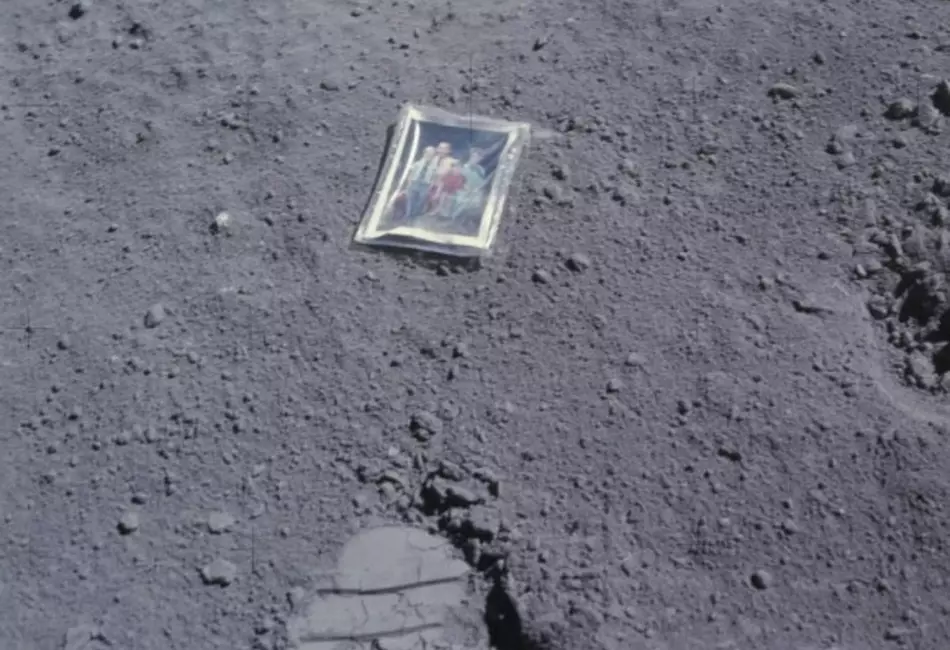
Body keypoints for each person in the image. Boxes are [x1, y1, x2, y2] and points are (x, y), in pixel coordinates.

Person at [448, 148, 489, 222]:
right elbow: (457, 179)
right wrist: (464, 187)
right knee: (458, 208)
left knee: (471, 210)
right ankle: (453, 221)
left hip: (475, 193)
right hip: (463, 191)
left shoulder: (481, 169)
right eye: (474, 156)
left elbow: (482, 182)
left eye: (479, 157)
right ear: (471, 156)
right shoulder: (463, 167)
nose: (476, 159)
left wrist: (478, 190)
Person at [400, 146, 438, 222]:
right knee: (411, 200)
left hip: (425, 185)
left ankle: (414, 215)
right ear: (424, 153)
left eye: (431, 154)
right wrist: (409, 183)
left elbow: (434, 177)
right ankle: (408, 216)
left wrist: (431, 186)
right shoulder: (417, 163)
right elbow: (411, 173)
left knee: (421, 201)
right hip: (414, 182)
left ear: (434, 156)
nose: (429, 155)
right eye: (428, 153)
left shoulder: (434, 166)